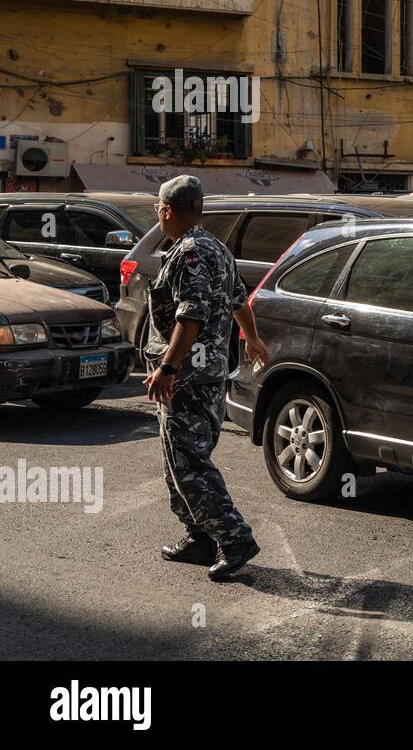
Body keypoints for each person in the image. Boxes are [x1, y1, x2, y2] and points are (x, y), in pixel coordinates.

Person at [143, 175, 269, 581]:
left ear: (166, 211)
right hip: (207, 373)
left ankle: (234, 538)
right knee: (179, 461)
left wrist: (168, 367)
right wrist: (252, 337)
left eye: (158, 211)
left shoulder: (189, 254)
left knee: (190, 462)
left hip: (188, 377)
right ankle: (199, 537)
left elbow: (190, 314)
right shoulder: (215, 247)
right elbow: (238, 298)